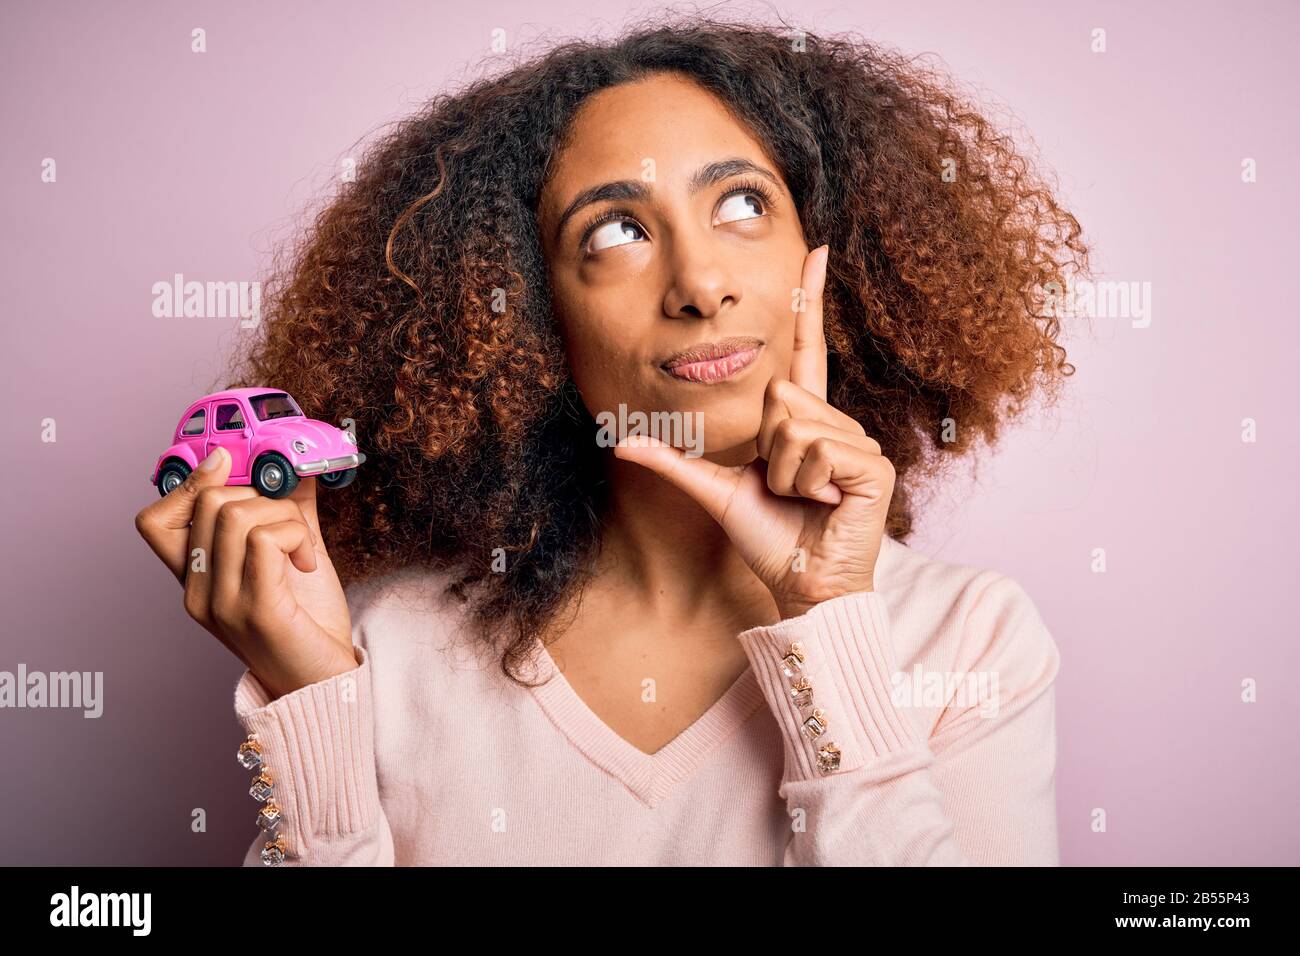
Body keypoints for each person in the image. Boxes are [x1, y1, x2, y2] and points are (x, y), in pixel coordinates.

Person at [134, 15, 1089, 866]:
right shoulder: (387, 648)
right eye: (617, 231)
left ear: (822, 261)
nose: (700, 283)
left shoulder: (970, 640)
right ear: (524, 317)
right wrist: (312, 703)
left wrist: (827, 617)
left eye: (745, 205)